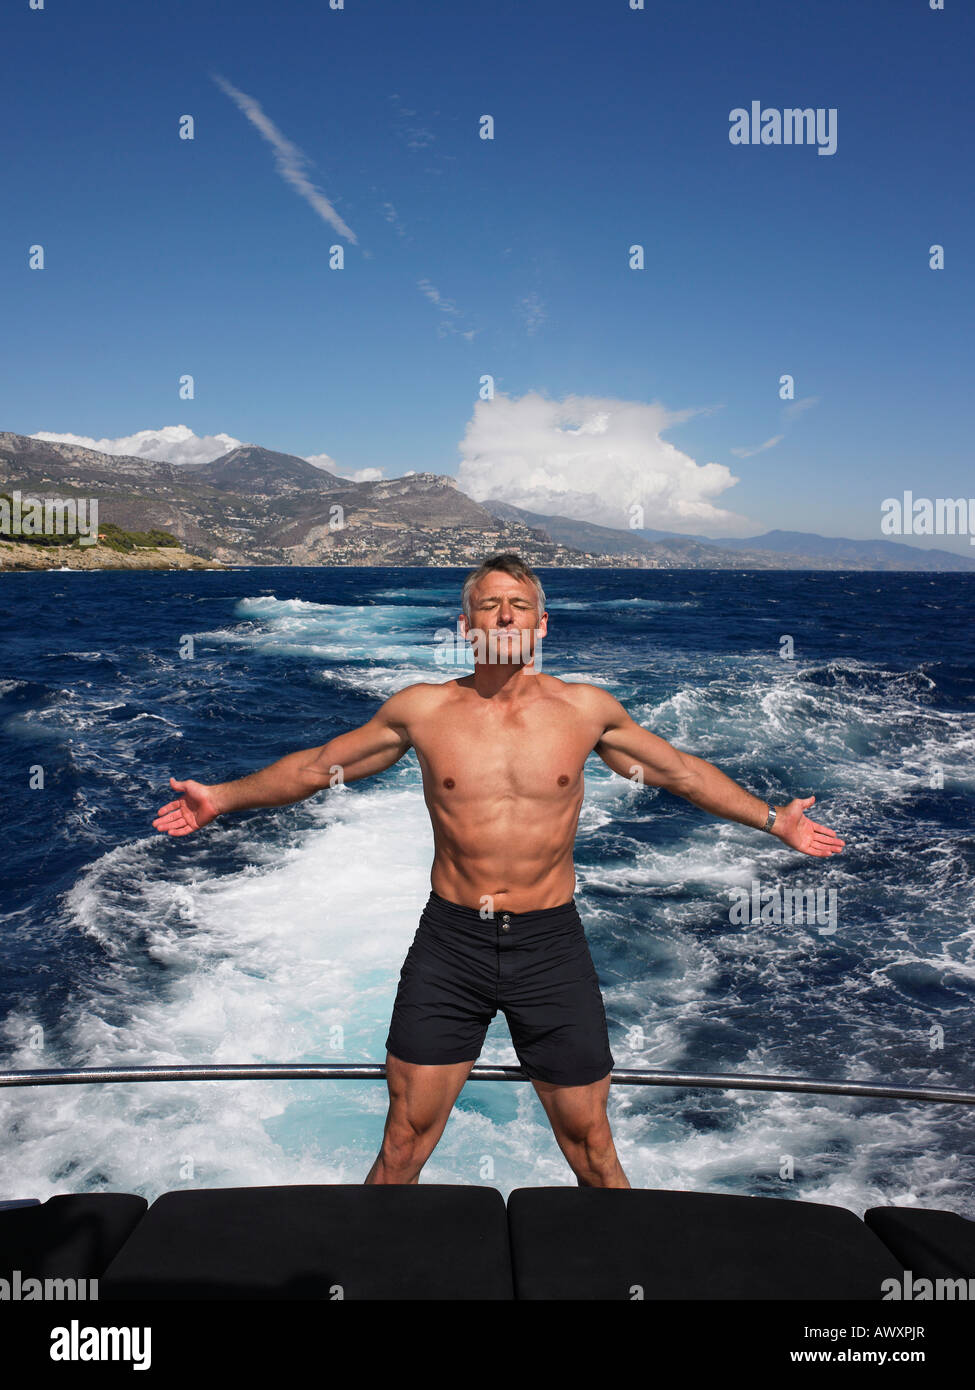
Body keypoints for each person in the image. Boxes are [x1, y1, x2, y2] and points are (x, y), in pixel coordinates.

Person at [152, 552, 845, 1189]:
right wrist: (221, 798)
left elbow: (680, 773)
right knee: (403, 1143)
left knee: (592, 1146)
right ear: (465, 624)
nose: (505, 614)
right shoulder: (421, 710)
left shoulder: (585, 711)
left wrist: (771, 820)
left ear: (541, 623)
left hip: (550, 947)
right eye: (489, 604)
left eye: (518, 604)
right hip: (450, 945)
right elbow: (316, 766)